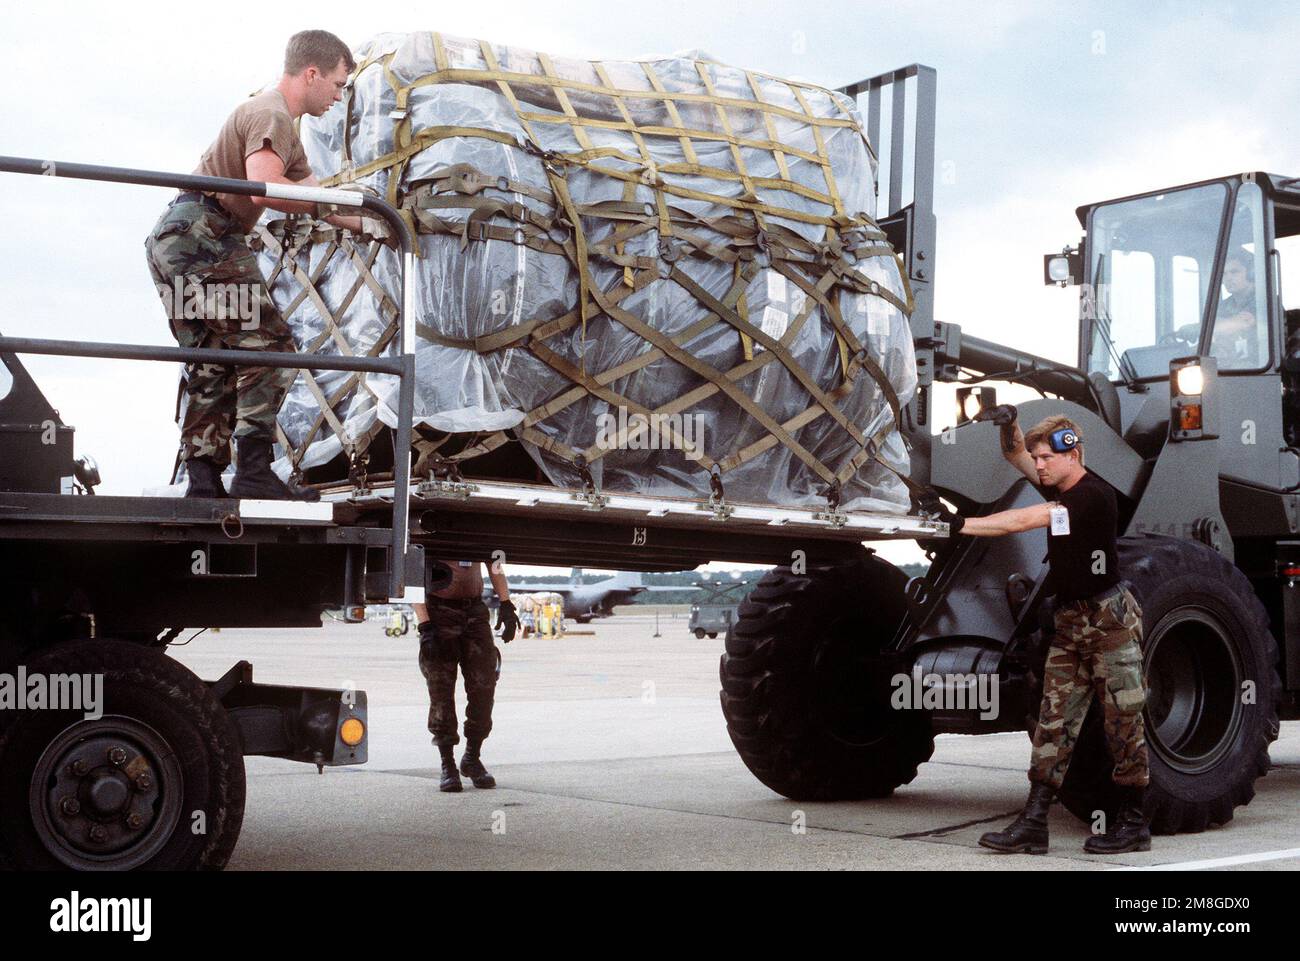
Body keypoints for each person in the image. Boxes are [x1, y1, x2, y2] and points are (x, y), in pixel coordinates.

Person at [145, 30, 371, 500]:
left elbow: (318, 198)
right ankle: (253, 469)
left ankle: (204, 479)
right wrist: (320, 207)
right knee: (273, 347)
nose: (337, 96)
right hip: (205, 235)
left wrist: (369, 222)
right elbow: (263, 189)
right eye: (336, 84)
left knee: (215, 357)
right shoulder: (270, 113)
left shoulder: (286, 131)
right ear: (311, 73)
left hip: (178, 238)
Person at [951, 407, 1150, 855]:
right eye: (1037, 458)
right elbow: (1013, 453)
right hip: (1070, 621)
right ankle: (1034, 822)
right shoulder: (1058, 483)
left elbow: (1021, 520)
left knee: (1123, 719)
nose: (1038, 465)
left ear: (1072, 454)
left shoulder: (1092, 496)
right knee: (1052, 723)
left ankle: (1134, 823)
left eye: (1046, 459)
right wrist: (1009, 425)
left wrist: (958, 525)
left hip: (1109, 621)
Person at [416, 560, 521, 792]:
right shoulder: (431, 530)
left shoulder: (472, 531)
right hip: (439, 611)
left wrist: (506, 604)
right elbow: (411, 575)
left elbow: (495, 564)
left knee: (484, 686)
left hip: (474, 611)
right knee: (441, 690)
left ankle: (472, 758)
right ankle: (448, 765)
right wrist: (425, 625)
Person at [1211, 251, 1259, 368]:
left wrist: (1198, 328)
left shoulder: (1264, 301)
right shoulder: (1224, 306)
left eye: (1234, 272)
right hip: (1233, 363)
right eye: (1224, 274)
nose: (1228, 278)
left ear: (1250, 274)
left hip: (1261, 367)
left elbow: (1241, 323)